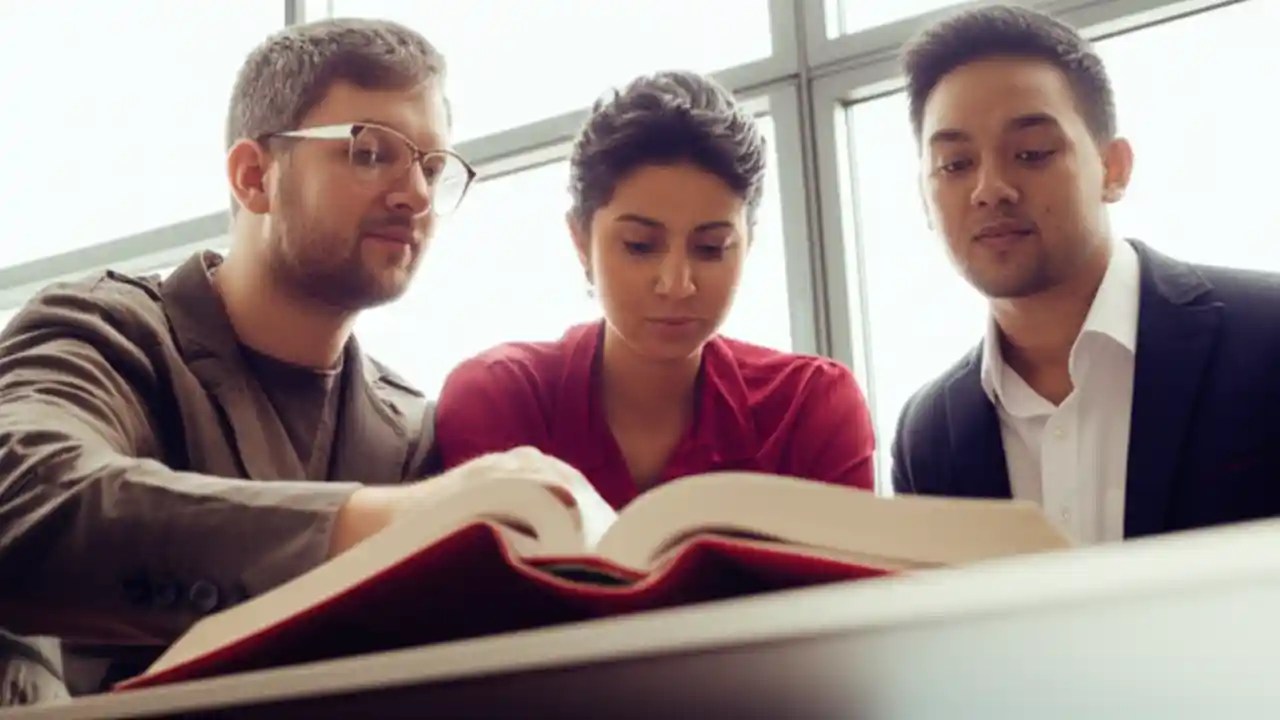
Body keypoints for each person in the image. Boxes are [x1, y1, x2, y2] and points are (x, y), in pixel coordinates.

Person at [0, 18, 584, 701]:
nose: (417, 195)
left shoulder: (412, 432)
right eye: (371, 153)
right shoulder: (107, 332)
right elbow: (24, 501)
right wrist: (391, 525)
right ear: (254, 177)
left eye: (431, 168)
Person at [890, 4, 1280, 543]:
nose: (990, 189)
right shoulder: (928, 435)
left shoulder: (1266, 337)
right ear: (924, 198)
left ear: (1113, 169)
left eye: (1031, 153)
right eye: (955, 165)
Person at [433, 71, 876, 509]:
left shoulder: (808, 409)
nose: (677, 284)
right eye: (640, 245)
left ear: (748, 244)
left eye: (711, 248)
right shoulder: (499, 399)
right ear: (580, 240)